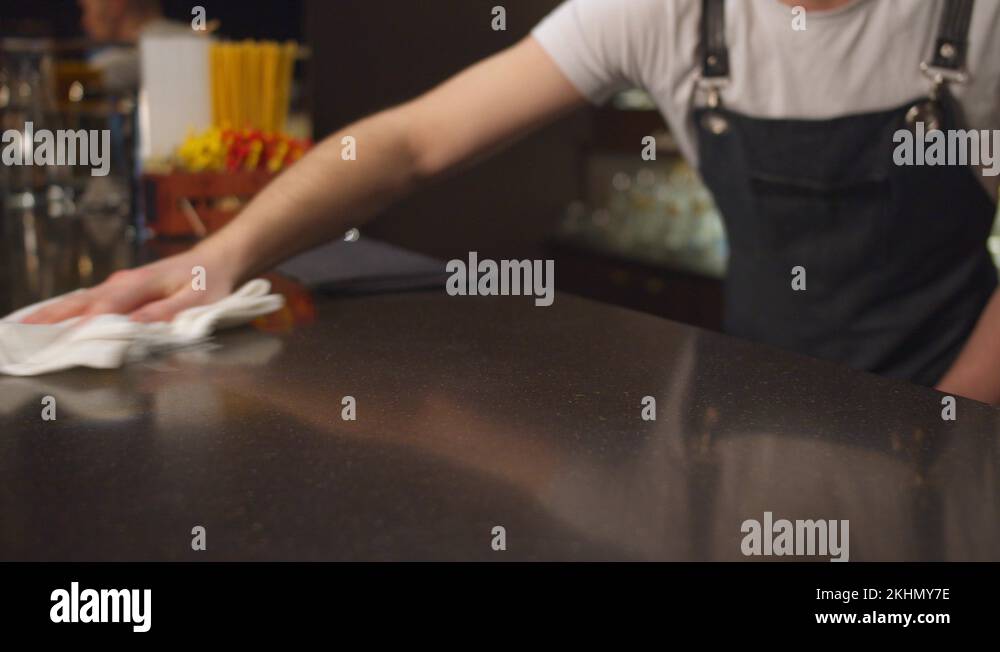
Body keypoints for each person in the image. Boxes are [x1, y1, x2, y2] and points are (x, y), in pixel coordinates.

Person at [25, 0, 1000, 404]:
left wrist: (940, 430)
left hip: (955, 396)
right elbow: (408, 141)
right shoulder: (662, 10)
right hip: (737, 411)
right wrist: (219, 257)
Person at [79, 0, 191, 90]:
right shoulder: (192, 36)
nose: (84, 21)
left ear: (115, 4)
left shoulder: (178, 41)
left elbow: (101, 70)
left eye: (86, 9)